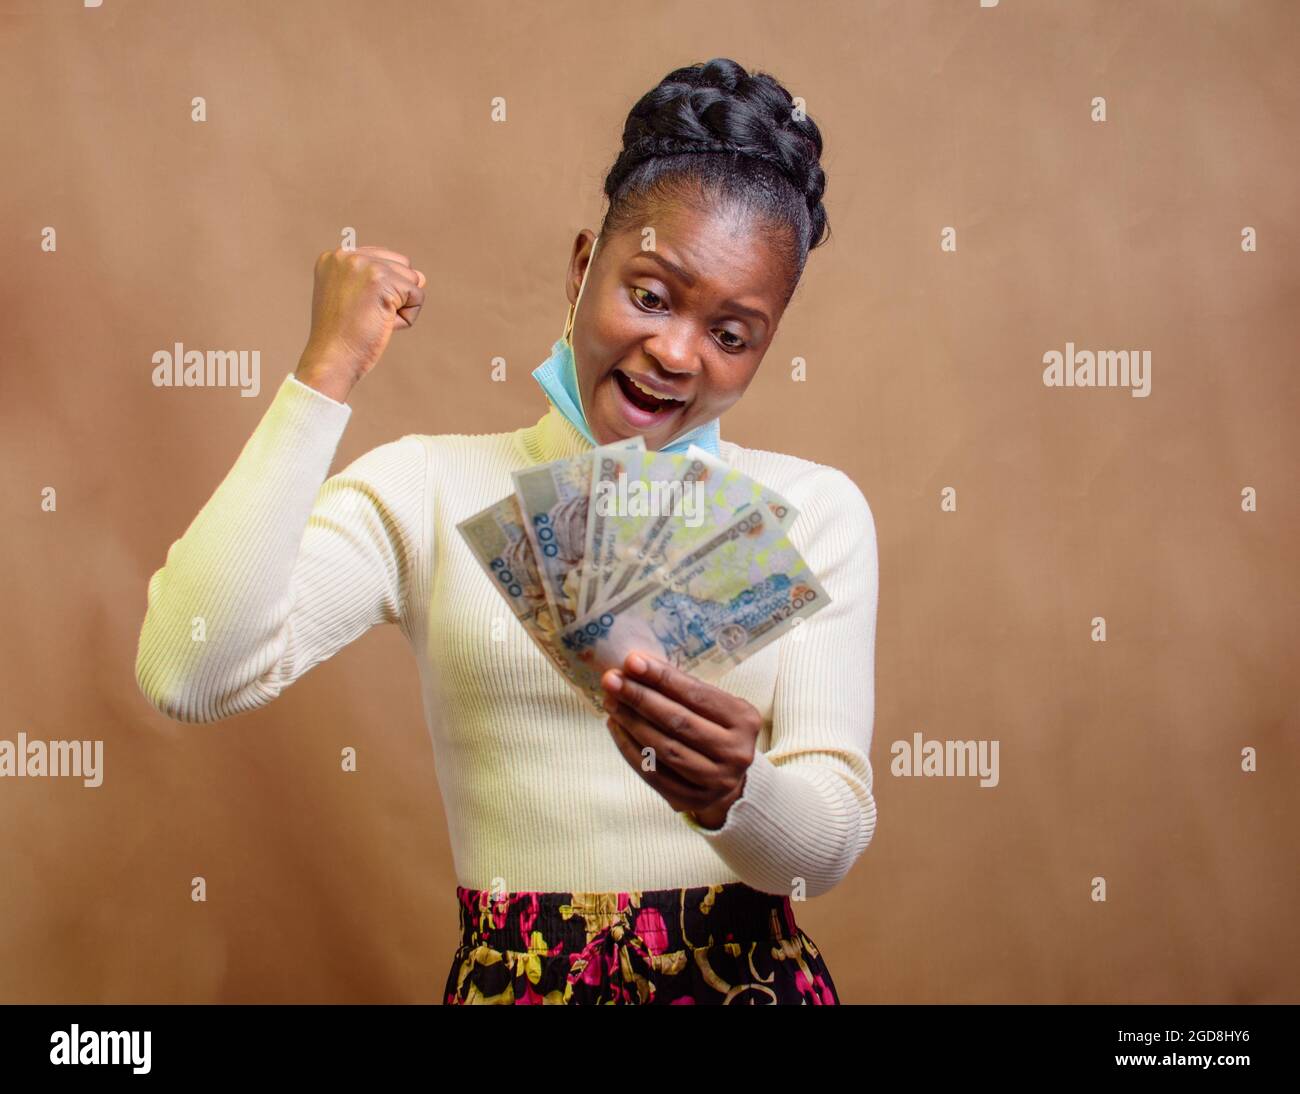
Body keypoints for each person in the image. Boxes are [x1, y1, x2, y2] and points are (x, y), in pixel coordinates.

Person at [135, 57, 879, 1005]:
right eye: (650, 295)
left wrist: (739, 795)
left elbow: (826, 848)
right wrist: (323, 375)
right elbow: (189, 670)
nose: (676, 352)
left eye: (732, 336)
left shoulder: (813, 511)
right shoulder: (429, 489)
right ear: (582, 268)